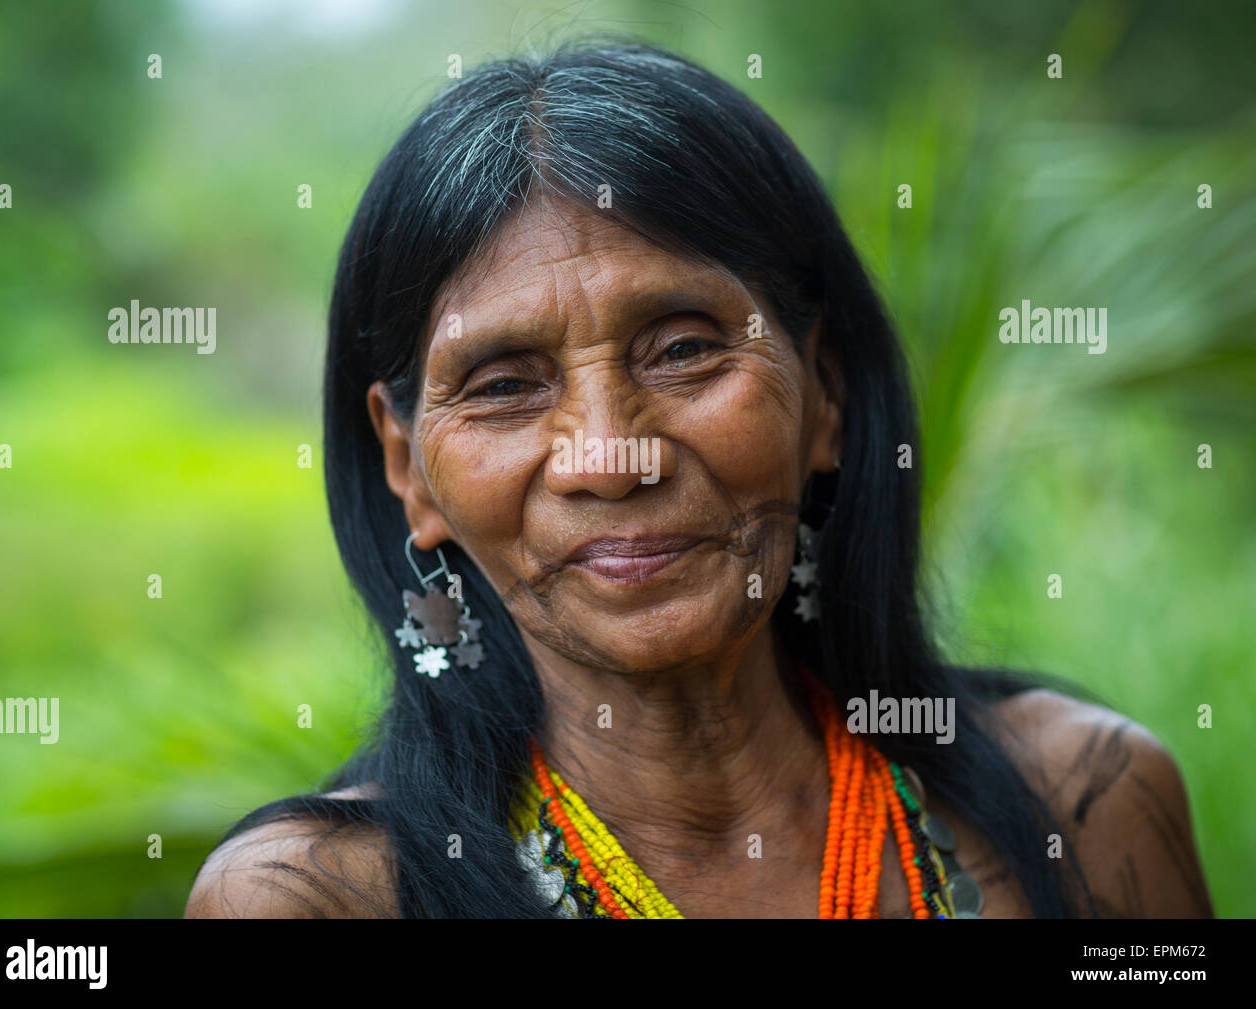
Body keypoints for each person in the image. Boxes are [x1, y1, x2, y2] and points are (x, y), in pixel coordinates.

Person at [185, 38, 1212, 919]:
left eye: (682, 350)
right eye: (503, 385)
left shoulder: (1083, 804)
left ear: (824, 394)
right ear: (407, 468)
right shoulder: (316, 900)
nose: (608, 454)